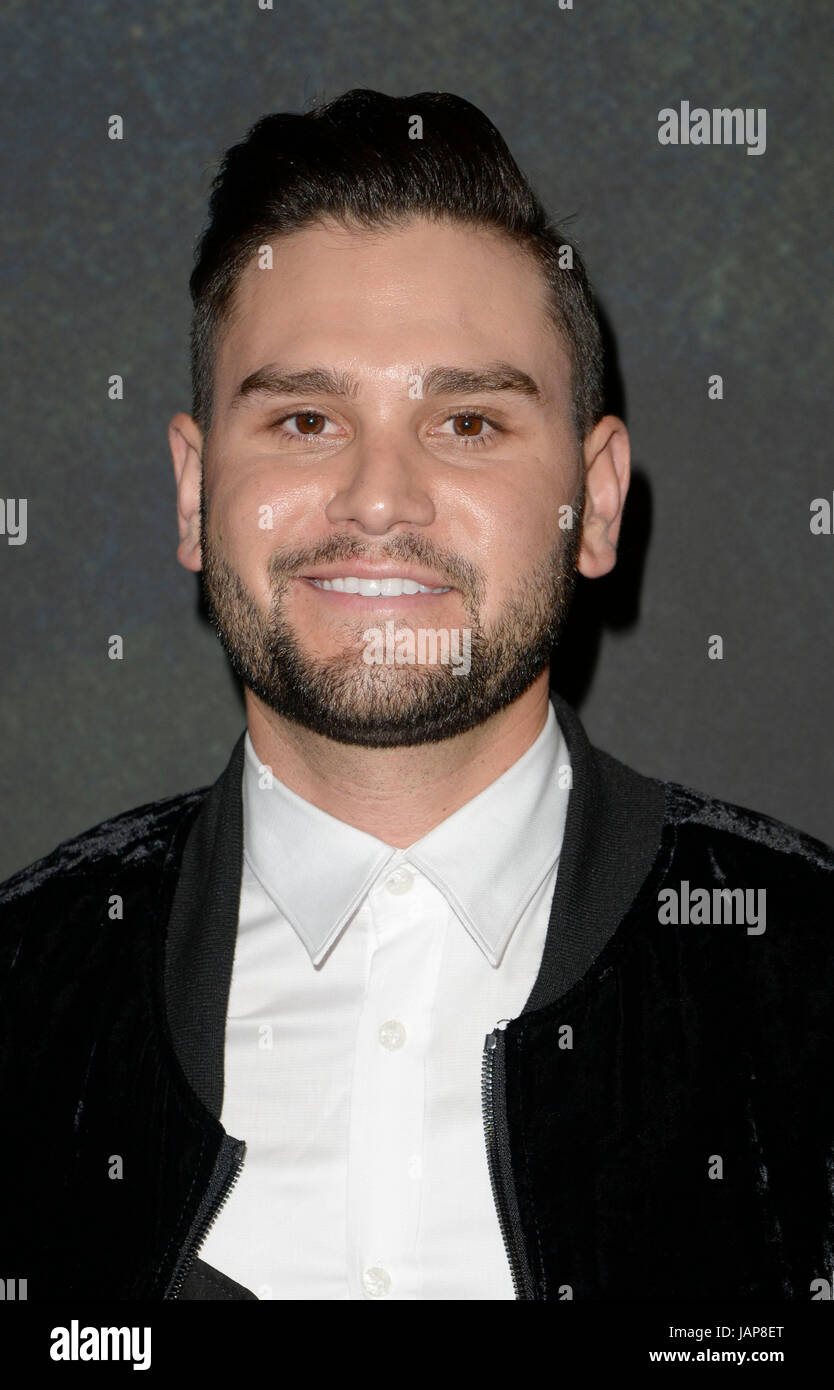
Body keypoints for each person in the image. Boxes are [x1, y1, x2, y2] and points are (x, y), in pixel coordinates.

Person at [1, 88, 832, 1303]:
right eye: (303, 416)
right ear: (192, 493)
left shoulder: (806, 984)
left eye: (468, 421)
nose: (379, 496)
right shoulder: (27, 996)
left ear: (596, 502)